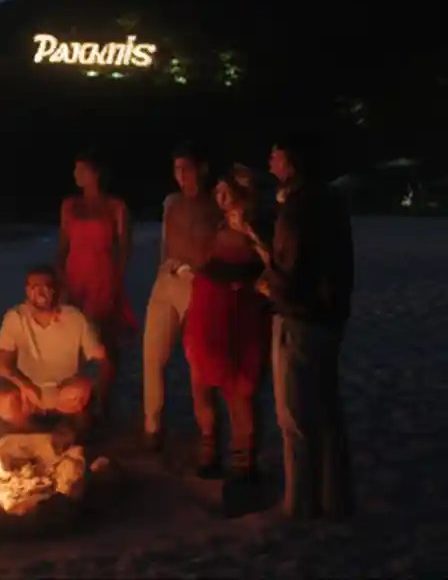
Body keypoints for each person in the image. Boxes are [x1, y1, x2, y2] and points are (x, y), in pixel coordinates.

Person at [249, 135, 354, 520]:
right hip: (330, 317)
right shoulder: (331, 200)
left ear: (291, 162)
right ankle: (335, 496)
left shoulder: (296, 208)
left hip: (300, 318)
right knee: (327, 410)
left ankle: (299, 502)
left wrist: (267, 283)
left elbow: (289, 269)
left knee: (294, 414)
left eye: (275, 156)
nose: (270, 162)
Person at [182, 166, 272, 480]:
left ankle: (243, 460)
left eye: (226, 191)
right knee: (202, 381)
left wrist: (251, 235)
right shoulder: (219, 221)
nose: (219, 197)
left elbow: (270, 262)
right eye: (217, 191)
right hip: (208, 304)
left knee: (240, 387)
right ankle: (209, 448)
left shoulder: (255, 221)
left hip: (239, 309)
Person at [141, 142, 223, 450]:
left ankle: (208, 434)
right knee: (152, 355)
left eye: (186, 168)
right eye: (176, 169)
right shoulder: (172, 202)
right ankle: (152, 425)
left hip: (198, 282)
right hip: (168, 277)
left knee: (198, 362)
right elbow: (166, 240)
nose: (181, 175)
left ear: (202, 168)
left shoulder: (216, 202)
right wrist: (164, 270)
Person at [57, 149, 136, 417]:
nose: (76, 175)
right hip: (75, 277)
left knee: (105, 340)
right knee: (74, 338)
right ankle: (76, 400)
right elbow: (63, 246)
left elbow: (124, 249)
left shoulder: (116, 206)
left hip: (103, 276)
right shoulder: (69, 205)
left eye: (81, 170)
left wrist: (118, 281)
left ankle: (103, 399)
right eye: (75, 170)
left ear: (96, 173)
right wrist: (58, 280)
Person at [0, 265, 107, 431]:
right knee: (4, 401)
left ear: (56, 290)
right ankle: (29, 436)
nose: (40, 294)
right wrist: (24, 385)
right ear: (27, 290)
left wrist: (82, 381)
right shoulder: (15, 318)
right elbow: (2, 364)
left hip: (65, 390)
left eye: (46, 287)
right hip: (29, 393)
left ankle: (73, 432)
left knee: (78, 394)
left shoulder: (75, 318)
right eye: (34, 288)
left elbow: (98, 360)